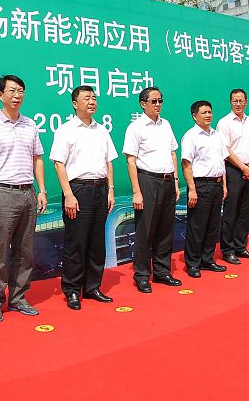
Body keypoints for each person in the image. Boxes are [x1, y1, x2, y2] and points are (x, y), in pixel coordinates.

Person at [0, 75, 48, 322]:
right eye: (13, 91)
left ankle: (19, 298)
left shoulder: (30, 125)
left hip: (27, 192)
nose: (18, 95)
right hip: (1, 193)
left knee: (25, 251)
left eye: (21, 91)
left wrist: (42, 189)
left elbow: (38, 158)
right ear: (0, 94)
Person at [51, 85, 118, 309]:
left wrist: (110, 190)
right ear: (74, 103)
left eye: (94, 97)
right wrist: (68, 195)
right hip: (78, 190)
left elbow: (109, 162)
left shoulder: (102, 130)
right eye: (86, 98)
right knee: (76, 242)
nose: (92, 101)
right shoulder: (66, 130)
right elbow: (58, 163)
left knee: (97, 242)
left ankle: (92, 287)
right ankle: (71, 289)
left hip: (100, 189)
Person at [123, 86, 183, 292]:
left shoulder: (166, 124)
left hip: (167, 181)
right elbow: (131, 160)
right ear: (143, 104)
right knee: (145, 230)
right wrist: (137, 191)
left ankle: (162, 271)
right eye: (153, 101)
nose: (158, 105)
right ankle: (141, 275)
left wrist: (176, 180)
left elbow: (173, 154)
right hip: (147, 180)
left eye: (160, 100)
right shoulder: (136, 127)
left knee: (165, 229)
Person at [180, 100, 227, 277]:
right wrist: (192, 189)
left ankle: (207, 260)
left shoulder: (217, 135)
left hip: (216, 184)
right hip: (200, 185)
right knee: (197, 226)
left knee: (213, 225)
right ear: (194, 116)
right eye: (204, 113)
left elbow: (222, 161)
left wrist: (223, 185)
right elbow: (186, 164)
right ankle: (193, 263)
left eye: (210, 112)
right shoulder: (191, 136)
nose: (208, 115)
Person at [217, 88, 249, 264]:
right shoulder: (224, 123)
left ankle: (241, 246)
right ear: (230, 102)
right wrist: (243, 167)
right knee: (231, 212)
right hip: (234, 170)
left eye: (241, 100)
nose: (238, 104)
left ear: (246, 101)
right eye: (235, 101)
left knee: (244, 211)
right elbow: (225, 150)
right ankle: (227, 250)